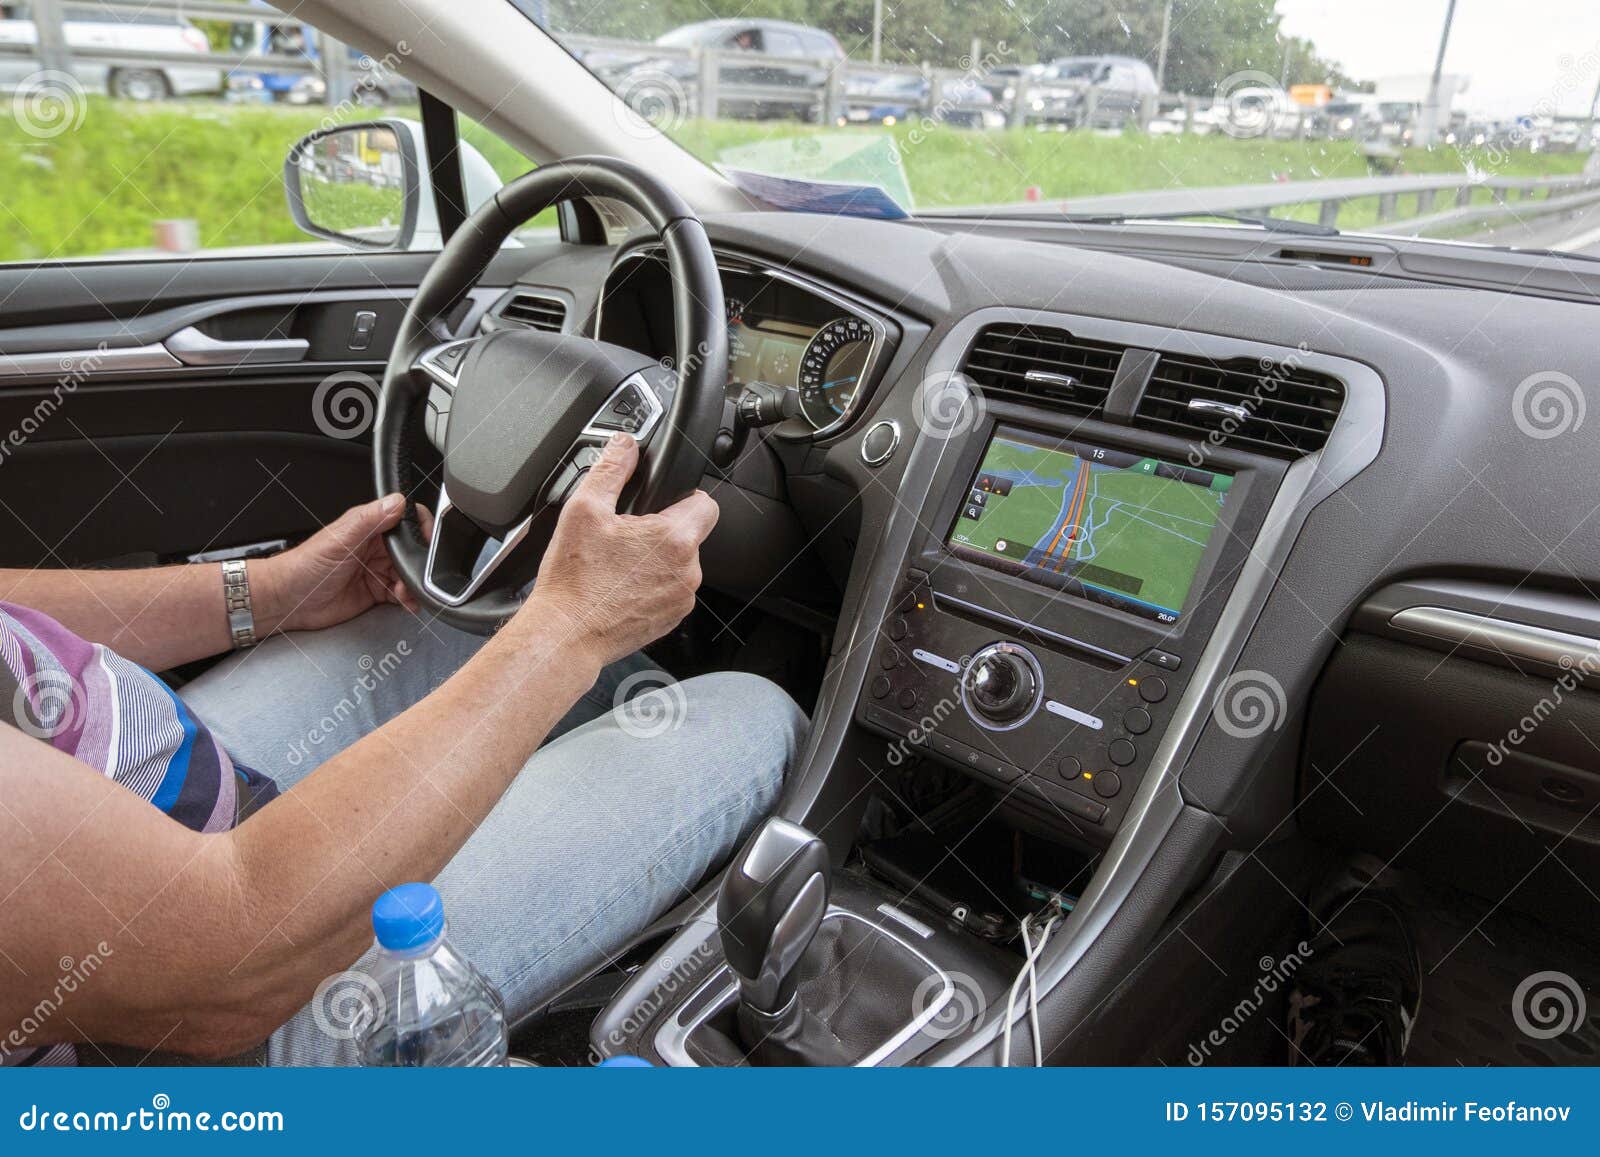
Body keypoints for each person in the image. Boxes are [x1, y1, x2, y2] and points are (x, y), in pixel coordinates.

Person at [0, 432, 805, 1065]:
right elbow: (227, 957)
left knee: (443, 627)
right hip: (204, 1027)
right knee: (753, 712)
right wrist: (570, 625)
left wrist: (267, 592)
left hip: (149, 782)